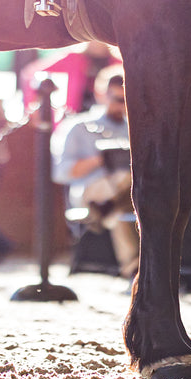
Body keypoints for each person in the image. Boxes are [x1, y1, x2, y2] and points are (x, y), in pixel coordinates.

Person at [52, 67, 138, 276]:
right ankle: (138, 269)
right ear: (101, 94)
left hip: (118, 197)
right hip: (88, 191)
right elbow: (60, 173)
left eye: (126, 99)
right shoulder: (78, 127)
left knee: (119, 213)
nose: (121, 105)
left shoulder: (134, 127)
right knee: (129, 182)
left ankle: (134, 269)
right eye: (117, 98)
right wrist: (101, 160)